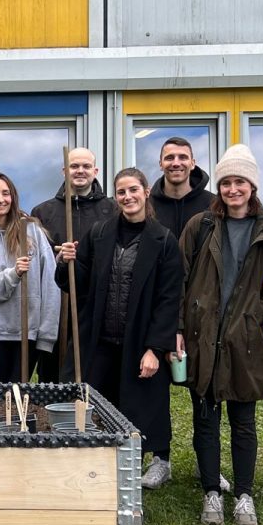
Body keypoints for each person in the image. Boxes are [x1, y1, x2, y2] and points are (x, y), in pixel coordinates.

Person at [177, 145, 263, 525]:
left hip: (246, 341)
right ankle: (211, 491)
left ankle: (243, 495)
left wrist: (254, 316)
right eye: (226, 182)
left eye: (240, 181)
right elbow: (180, 280)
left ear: (252, 186)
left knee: (244, 420)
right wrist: (180, 327)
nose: (232, 189)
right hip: (202, 335)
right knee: (205, 419)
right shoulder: (201, 226)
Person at [57, 169, 182, 480]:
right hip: (98, 339)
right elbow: (74, 284)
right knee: (93, 403)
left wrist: (155, 348)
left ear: (146, 191)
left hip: (138, 341)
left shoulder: (163, 241)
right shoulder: (99, 234)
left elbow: (169, 300)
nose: (128, 197)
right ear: (116, 196)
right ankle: (95, 467)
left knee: (141, 406)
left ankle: (154, 464)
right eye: (121, 192)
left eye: (133, 190)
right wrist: (67, 262)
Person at [31, 147, 118, 382]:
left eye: (86, 166)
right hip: (56, 303)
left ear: (95, 170)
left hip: (98, 302)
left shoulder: (112, 210)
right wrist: (57, 255)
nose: (80, 171)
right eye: (74, 166)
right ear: (64, 171)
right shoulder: (43, 212)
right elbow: (36, 257)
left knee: (94, 369)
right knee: (53, 371)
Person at [0, 173, 59, 385]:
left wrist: (47, 333)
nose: (0, 199)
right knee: (1, 396)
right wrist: (12, 274)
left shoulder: (31, 231)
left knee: (20, 393)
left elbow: (50, 283)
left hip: (29, 330)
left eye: (5, 193)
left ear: (13, 197)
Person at [150, 137, 214, 239]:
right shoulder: (147, 205)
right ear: (161, 164)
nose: (176, 163)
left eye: (183, 157)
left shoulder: (213, 204)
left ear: (192, 164)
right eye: (169, 158)